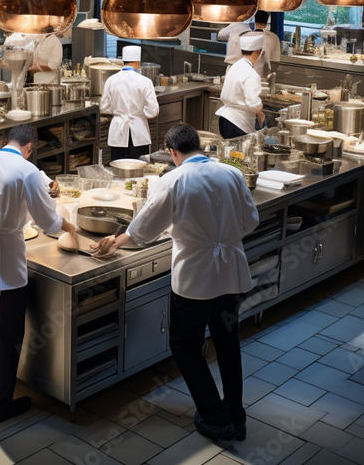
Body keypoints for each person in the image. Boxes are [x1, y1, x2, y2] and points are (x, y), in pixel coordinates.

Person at [92, 124, 258, 443]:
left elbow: (144, 229)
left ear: (172, 152)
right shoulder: (231, 173)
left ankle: (215, 417)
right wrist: (219, 234)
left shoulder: (173, 179)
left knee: (184, 345)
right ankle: (236, 416)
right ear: (198, 145)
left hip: (196, 278)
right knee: (227, 341)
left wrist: (116, 240)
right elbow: (250, 221)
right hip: (232, 274)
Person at [0, 125, 78, 423]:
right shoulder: (28, 171)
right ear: (30, 147)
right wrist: (70, 227)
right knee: (7, 334)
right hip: (5, 255)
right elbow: (48, 220)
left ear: (3, 141)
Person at [100, 45, 159, 160]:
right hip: (139, 132)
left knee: (118, 168)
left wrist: (118, 112)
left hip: (118, 133)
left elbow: (104, 107)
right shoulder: (145, 82)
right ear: (137, 62)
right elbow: (153, 111)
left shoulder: (111, 80)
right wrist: (140, 112)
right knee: (140, 170)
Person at [216, 32, 265, 139]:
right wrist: (259, 110)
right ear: (258, 51)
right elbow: (252, 103)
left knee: (229, 152)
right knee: (239, 153)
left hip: (224, 119)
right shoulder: (251, 74)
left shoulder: (235, 66)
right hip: (238, 123)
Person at [251, 11, 280, 79]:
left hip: (246, 74)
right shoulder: (273, 37)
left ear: (255, 20)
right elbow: (275, 61)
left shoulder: (246, 36)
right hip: (263, 77)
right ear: (267, 21)